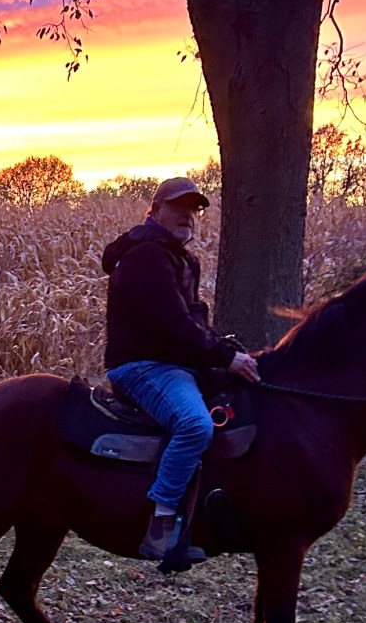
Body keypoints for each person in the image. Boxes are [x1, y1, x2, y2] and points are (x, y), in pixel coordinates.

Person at [101, 177, 260, 564]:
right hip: (144, 366)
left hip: (173, 363)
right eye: (178, 207)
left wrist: (223, 350)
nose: (188, 215)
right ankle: (161, 524)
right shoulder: (146, 256)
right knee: (195, 425)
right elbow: (171, 324)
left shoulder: (176, 257)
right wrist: (224, 357)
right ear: (155, 211)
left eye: (194, 209)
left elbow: (190, 322)